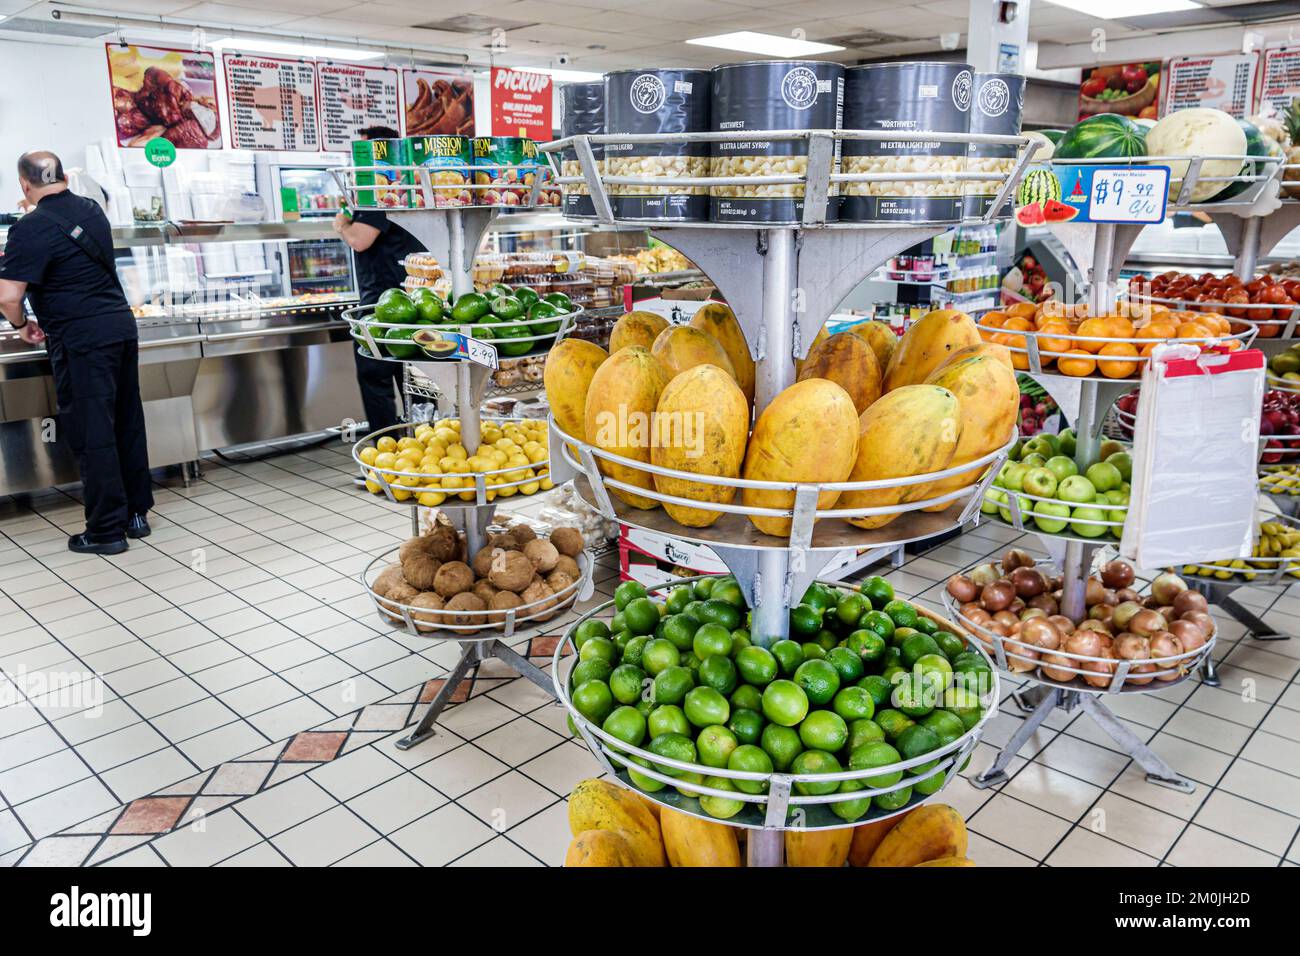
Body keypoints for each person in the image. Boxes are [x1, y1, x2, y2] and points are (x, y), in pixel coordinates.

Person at [0, 151, 153, 555]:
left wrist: (21, 326)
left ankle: (105, 531)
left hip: (81, 339)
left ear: (24, 185)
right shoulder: (91, 210)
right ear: (64, 176)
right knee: (126, 420)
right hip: (120, 327)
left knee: (93, 431)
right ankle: (136, 514)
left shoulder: (29, 228)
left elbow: (8, 296)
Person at [333, 125, 425, 438]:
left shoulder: (377, 193)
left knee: (375, 376)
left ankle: (387, 451)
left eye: (361, 151)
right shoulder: (408, 188)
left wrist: (342, 226)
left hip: (383, 305)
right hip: (414, 299)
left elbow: (360, 240)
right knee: (416, 379)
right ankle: (423, 444)